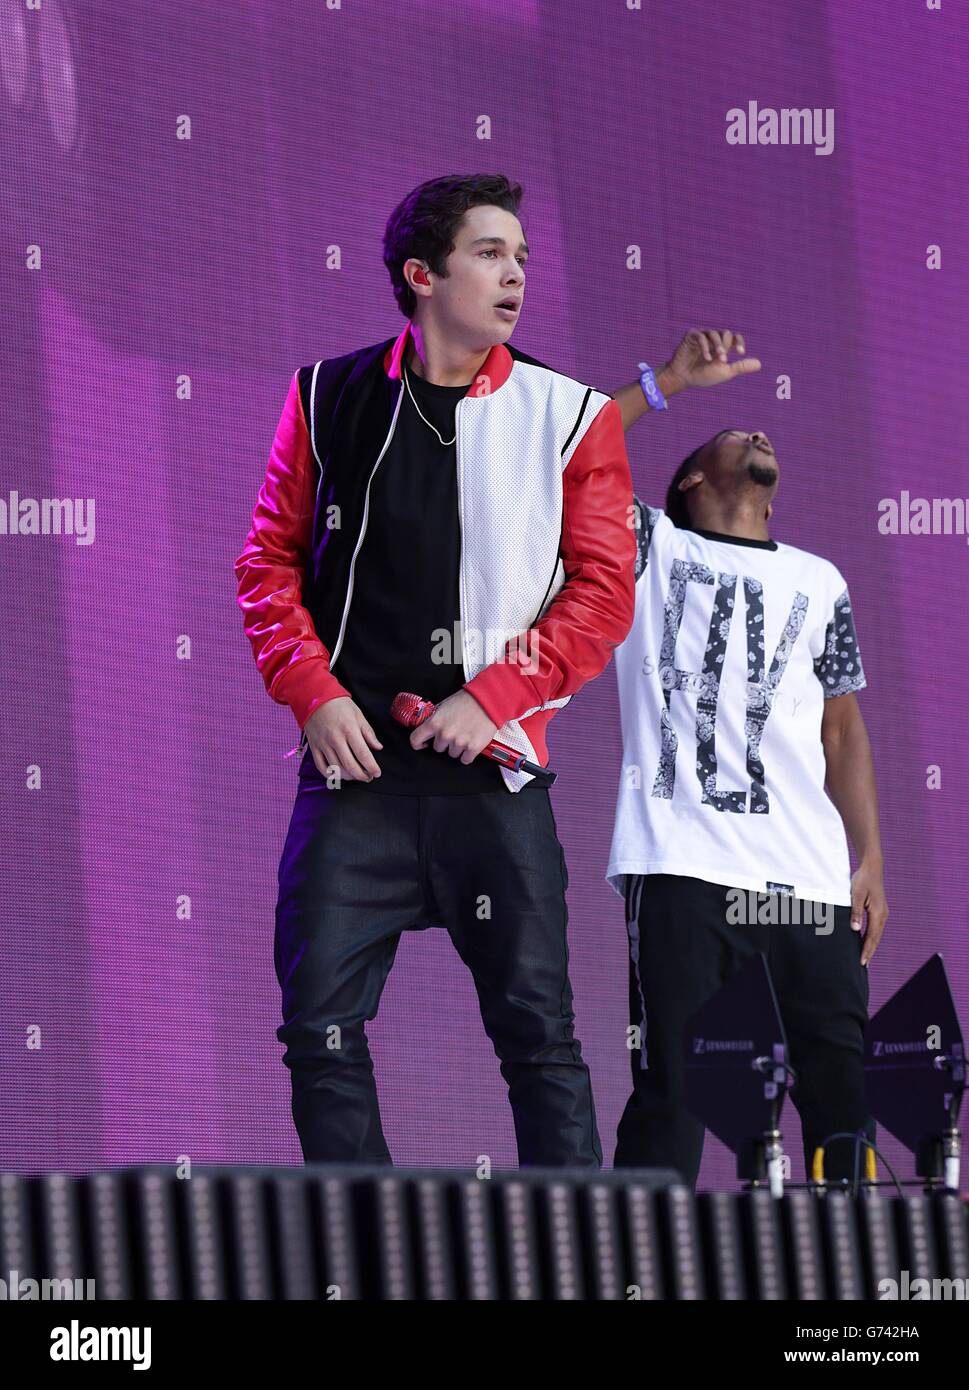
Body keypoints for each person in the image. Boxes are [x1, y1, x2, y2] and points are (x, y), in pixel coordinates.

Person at [234, 172, 640, 1167]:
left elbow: (603, 593)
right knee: (318, 1030)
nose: (515, 276)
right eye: (490, 254)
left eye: (523, 258)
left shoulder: (571, 415)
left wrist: (490, 696)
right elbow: (266, 563)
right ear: (423, 275)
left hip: (490, 776)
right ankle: (371, 1256)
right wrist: (313, 693)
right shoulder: (324, 396)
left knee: (540, 1041)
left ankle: (575, 1266)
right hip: (355, 778)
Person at [606, 427, 889, 1184]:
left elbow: (842, 726)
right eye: (731, 437)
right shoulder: (650, 548)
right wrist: (664, 386)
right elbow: (570, 457)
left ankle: (856, 1276)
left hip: (808, 880)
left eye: (759, 434)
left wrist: (869, 859)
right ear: (692, 479)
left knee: (840, 1092)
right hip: (683, 866)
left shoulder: (819, 579)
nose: (760, 434)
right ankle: (635, 1274)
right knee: (674, 1090)